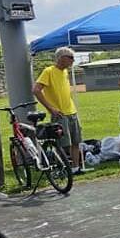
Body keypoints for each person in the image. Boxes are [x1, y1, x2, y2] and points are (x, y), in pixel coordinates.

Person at [33, 46, 87, 174]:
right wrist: (50, 108)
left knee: (76, 141)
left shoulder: (65, 72)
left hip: (71, 112)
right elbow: (36, 90)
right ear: (62, 58)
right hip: (59, 114)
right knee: (62, 144)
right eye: (71, 58)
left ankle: (75, 167)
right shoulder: (49, 71)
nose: (73, 61)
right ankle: (61, 168)